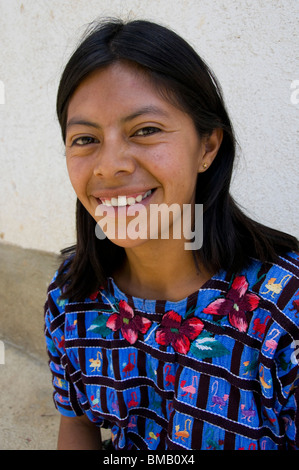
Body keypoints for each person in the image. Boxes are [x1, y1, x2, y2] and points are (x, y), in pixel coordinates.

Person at [44, 18, 299, 450]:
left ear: (207, 147)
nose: (109, 166)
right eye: (85, 138)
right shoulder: (71, 299)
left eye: (145, 130)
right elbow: (78, 425)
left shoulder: (283, 310)